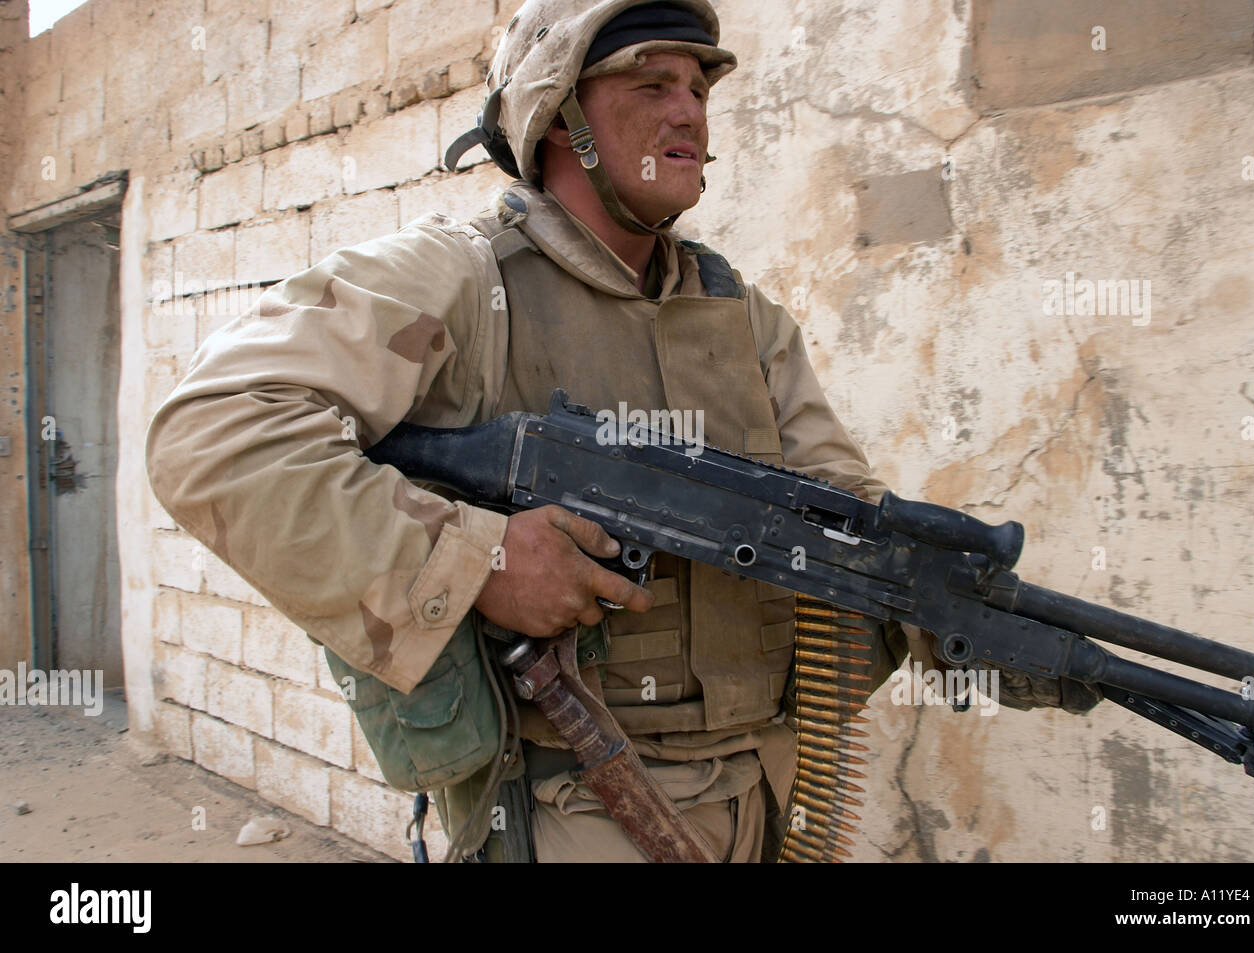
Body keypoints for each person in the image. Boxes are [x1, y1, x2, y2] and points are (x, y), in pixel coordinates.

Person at [147, 0, 1096, 863]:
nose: (689, 112)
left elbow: (845, 524)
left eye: (697, 86)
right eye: (651, 83)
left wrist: (973, 626)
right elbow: (211, 434)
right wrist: (479, 559)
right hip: (574, 805)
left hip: (776, 801)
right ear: (560, 116)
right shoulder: (460, 282)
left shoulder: (744, 319)